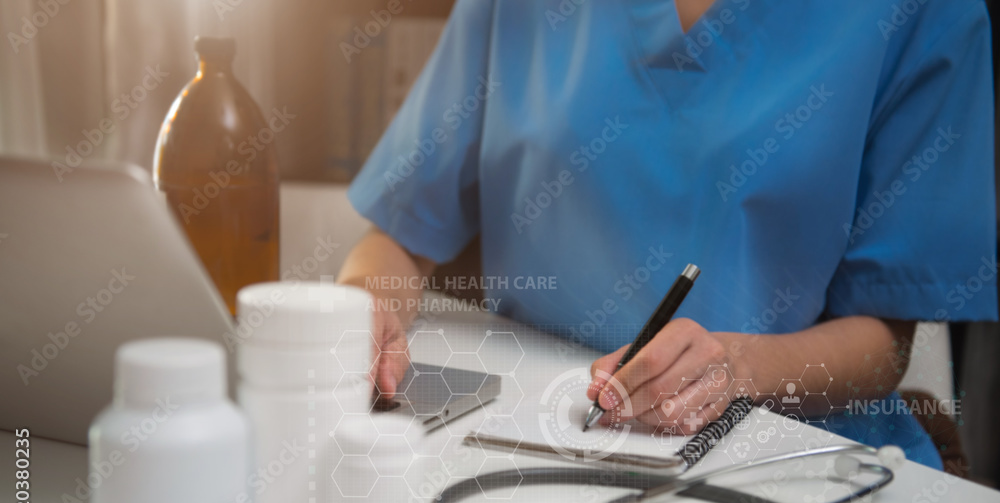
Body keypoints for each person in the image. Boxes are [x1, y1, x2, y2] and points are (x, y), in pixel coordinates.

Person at [338, 0, 999, 470]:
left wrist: (735, 370)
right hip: (536, 439)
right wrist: (363, 307)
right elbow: (397, 238)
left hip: (784, 464)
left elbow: (884, 350)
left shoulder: (922, 14)